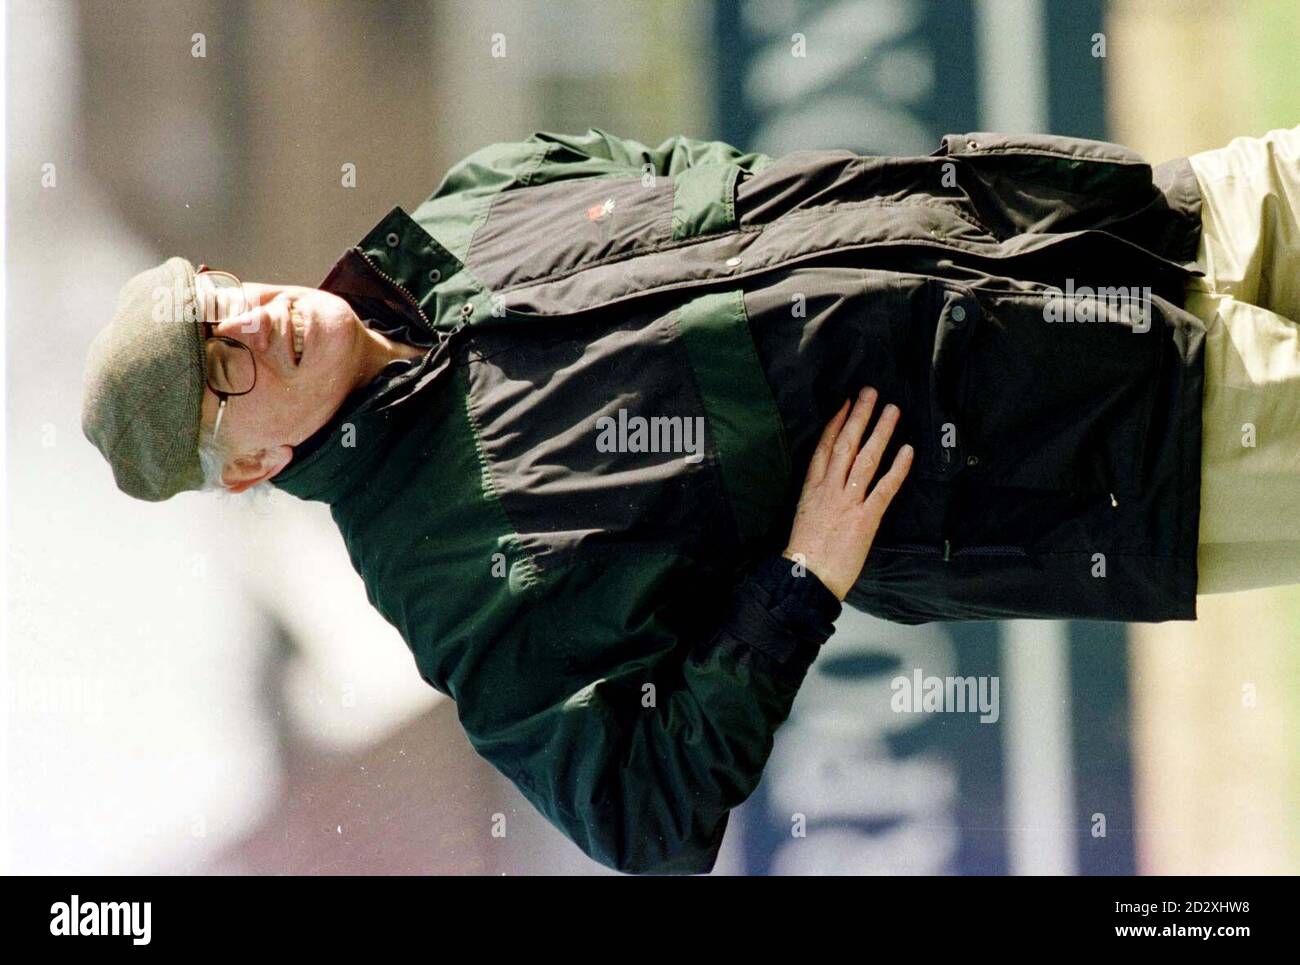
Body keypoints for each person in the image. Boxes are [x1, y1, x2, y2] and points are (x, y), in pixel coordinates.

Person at [82, 127, 1299, 873]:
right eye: (219, 370)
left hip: (1127, 216)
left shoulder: (459, 210)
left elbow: (683, 176)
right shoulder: (446, 576)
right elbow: (640, 813)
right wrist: (800, 579)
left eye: (216, 301)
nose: (247, 323)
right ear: (246, 466)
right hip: (1114, 445)